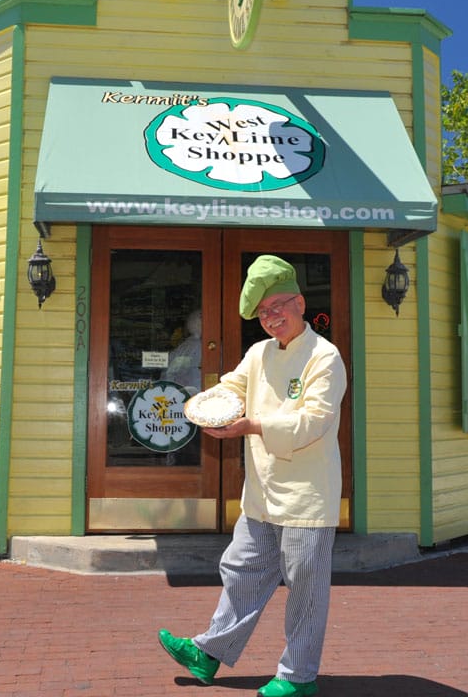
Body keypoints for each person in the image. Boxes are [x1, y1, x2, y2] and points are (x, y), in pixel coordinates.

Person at [158, 255, 347, 697]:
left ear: (300, 303)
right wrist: (209, 404)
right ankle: (208, 652)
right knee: (241, 568)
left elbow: (315, 421)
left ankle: (298, 677)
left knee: (305, 589)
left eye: (278, 306)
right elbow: (233, 386)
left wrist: (252, 426)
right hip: (262, 492)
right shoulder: (258, 353)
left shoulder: (325, 357)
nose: (271, 317)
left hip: (307, 496)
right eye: (263, 311)